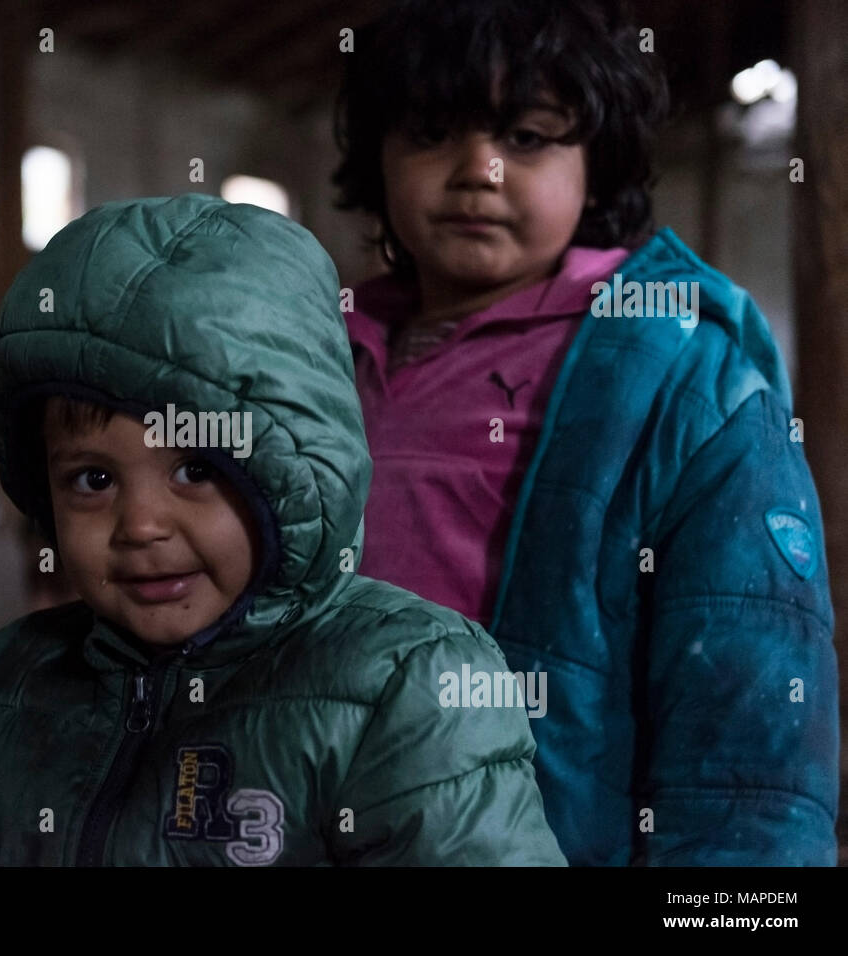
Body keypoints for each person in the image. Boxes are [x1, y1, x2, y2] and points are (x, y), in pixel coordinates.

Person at [332, 0, 838, 864]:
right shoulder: (313, 347)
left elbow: (747, 741)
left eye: (527, 138)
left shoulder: (682, 377)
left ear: (595, 167)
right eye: (430, 132)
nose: (478, 171)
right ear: (377, 161)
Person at [0, 193, 566, 866]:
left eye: (196, 469)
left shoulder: (407, 689)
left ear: (295, 475)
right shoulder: (2, 692)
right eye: (93, 480)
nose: (139, 526)